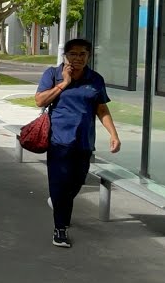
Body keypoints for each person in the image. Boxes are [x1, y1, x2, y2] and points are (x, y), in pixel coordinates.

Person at [34, 38, 121, 248]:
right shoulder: (53, 74)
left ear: (89, 56)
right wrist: (64, 83)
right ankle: (60, 229)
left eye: (82, 54)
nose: (78, 58)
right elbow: (39, 101)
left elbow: (101, 108)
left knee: (77, 181)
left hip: (83, 140)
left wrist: (113, 134)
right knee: (59, 182)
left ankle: (58, 202)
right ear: (66, 56)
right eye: (73, 54)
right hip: (59, 139)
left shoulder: (95, 79)